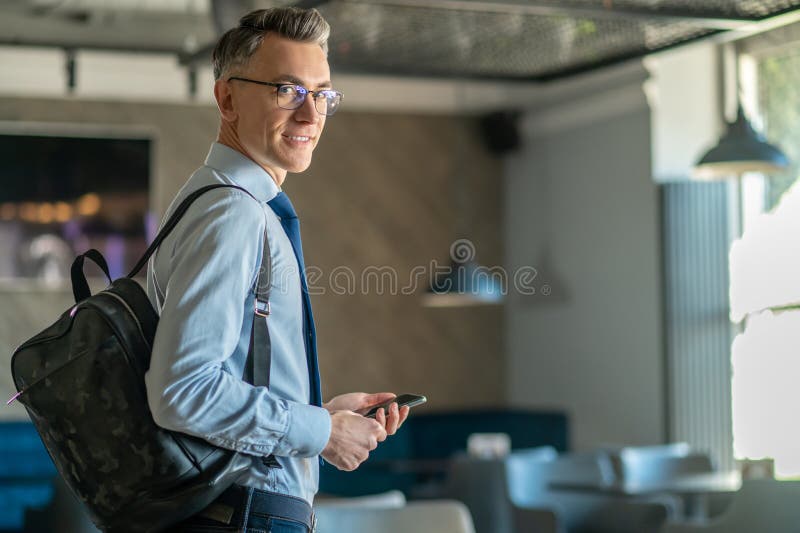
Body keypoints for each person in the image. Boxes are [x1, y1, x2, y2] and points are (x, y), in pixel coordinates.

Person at [144, 7, 409, 532]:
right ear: (226, 98)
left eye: (322, 94)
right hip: (241, 517)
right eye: (287, 91)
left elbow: (219, 377)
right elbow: (183, 391)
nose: (312, 116)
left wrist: (324, 416)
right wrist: (320, 432)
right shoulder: (232, 212)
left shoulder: (217, 202)